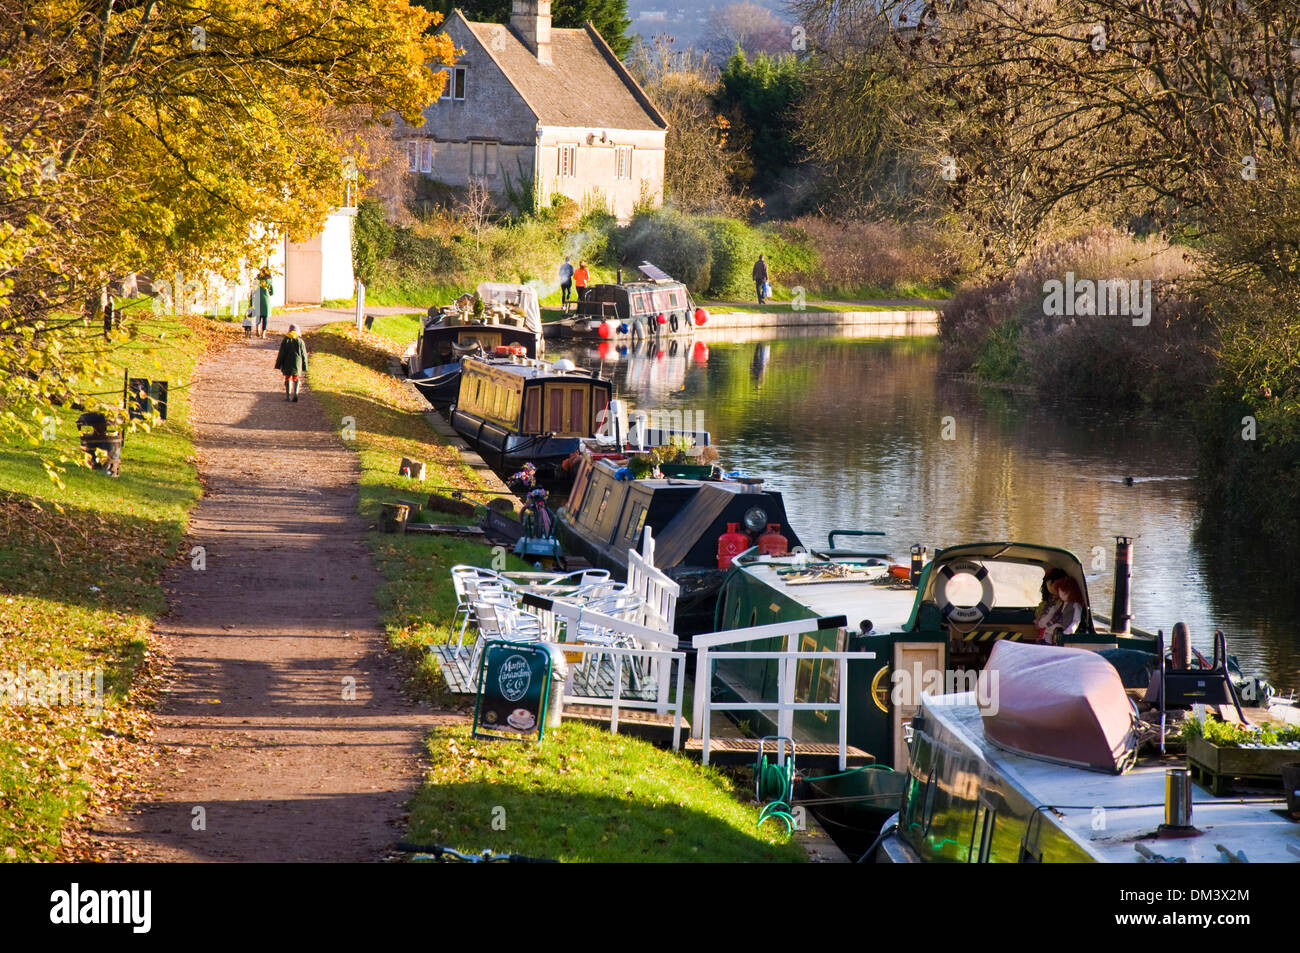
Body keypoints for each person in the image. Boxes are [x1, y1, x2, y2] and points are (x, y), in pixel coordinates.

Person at [1035, 572, 1084, 644]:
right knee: (1049, 630)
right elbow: (1056, 615)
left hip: (1064, 628)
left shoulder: (1075, 605)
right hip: (1058, 629)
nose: (1061, 595)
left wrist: (1069, 631)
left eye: (1065, 593)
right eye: (1060, 592)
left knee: (1053, 629)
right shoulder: (1062, 604)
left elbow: (1076, 620)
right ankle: (1046, 642)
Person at [274, 323, 308, 402]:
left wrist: (278, 364)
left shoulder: (286, 340)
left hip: (287, 362)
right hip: (297, 362)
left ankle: (288, 396)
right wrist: (305, 365)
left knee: (288, 377)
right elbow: (304, 354)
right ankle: (296, 394)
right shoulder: (300, 341)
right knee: (296, 377)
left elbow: (281, 353)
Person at [251, 265, 273, 338]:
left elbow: (253, 290)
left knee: (258, 315)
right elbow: (272, 292)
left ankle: (257, 330)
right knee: (265, 317)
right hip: (266, 300)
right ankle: (263, 334)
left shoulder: (257, 279)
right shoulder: (269, 280)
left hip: (258, 299)